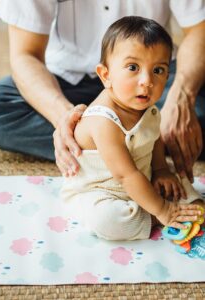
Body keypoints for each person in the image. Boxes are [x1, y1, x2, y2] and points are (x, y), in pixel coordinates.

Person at [0, 1, 205, 183]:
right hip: (64, 81)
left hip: (150, 78)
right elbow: (24, 55)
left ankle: (112, 149)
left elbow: (199, 31)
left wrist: (181, 97)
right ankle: (134, 147)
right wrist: (66, 118)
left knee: (198, 109)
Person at [60, 16, 205, 241]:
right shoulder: (103, 121)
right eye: (133, 67)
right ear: (106, 75)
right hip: (102, 191)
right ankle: (153, 216)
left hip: (142, 178)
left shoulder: (145, 105)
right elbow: (125, 175)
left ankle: (164, 204)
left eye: (158, 70)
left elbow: (154, 135)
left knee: (181, 186)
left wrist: (160, 170)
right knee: (108, 221)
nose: (147, 81)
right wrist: (163, 210)